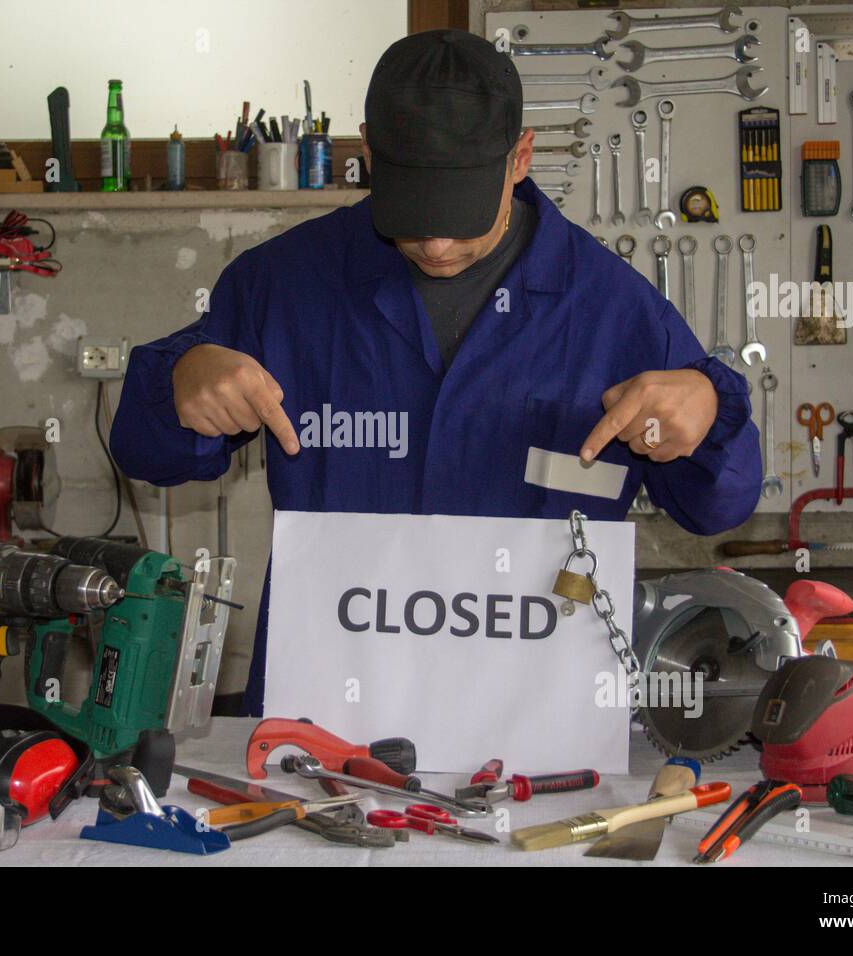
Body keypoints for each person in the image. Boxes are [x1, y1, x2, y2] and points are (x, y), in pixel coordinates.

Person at [111, 30, 762, 715]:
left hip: (536, 726)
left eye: (458, 214)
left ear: (520, 157)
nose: (437, 244)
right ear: (368, 153)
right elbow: (142, 448)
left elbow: (718, 504)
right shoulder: (284, 286)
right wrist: (181, 383)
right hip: (322, 719)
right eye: (413, 214)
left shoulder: (614, 312)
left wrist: (707, 413)